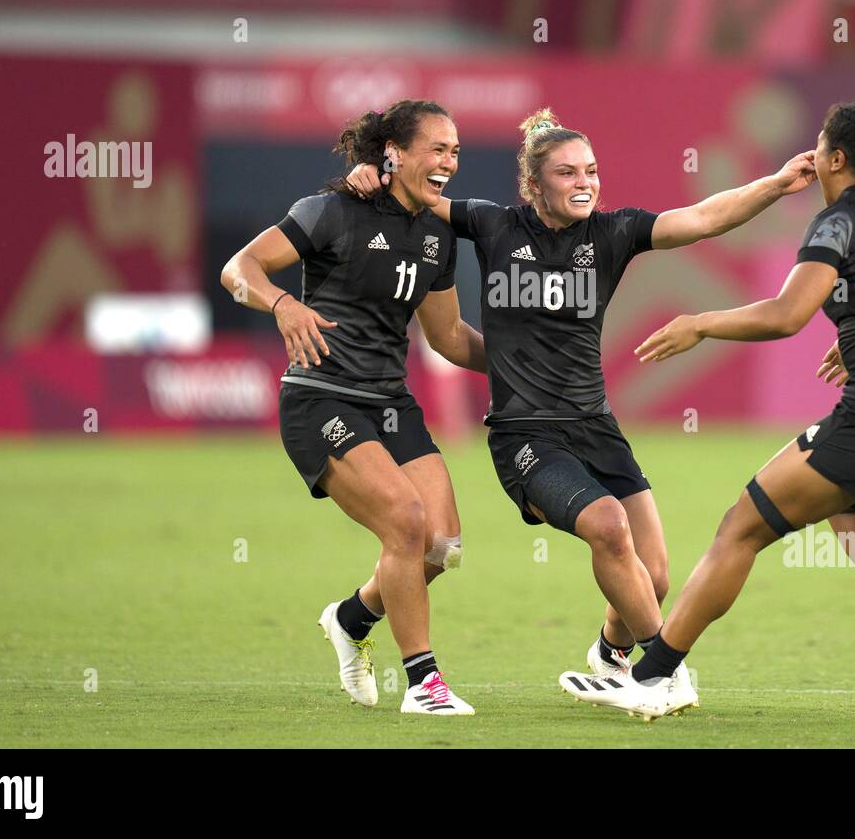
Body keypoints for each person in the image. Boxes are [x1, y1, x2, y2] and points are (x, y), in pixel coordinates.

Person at [346, 108, 816, 707]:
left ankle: (610, 657)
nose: (584, 183)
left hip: (596, 427)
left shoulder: (613, 233)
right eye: (567, 173)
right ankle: (659, 672)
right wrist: (374, 171)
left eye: (591, 171)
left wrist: (776, 183)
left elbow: (700, 219)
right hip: (524, 435)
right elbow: (412, 193)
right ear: (534, 186)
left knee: (656, 575)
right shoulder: (493, 225)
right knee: (607, 526)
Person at [560, 102, 855, 720]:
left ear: (837, 159)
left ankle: (650, 678)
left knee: (741, 528)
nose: (812, 155)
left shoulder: (838, 221)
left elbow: (786, 315)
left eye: (819, 145)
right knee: (844, 496)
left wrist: (701, 323)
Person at [220, 99, 485, 716]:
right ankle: (424, 683)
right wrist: (283, 305)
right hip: (321, 397)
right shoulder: (332, 211)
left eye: (455, 151)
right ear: (393, 154)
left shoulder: (438, 235)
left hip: (390, 403)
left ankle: (350, 619)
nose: (449, 162)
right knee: (405, 521)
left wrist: (525, 360)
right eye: (436, 149)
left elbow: (448, 339)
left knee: (440, 546)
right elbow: (240, 267)